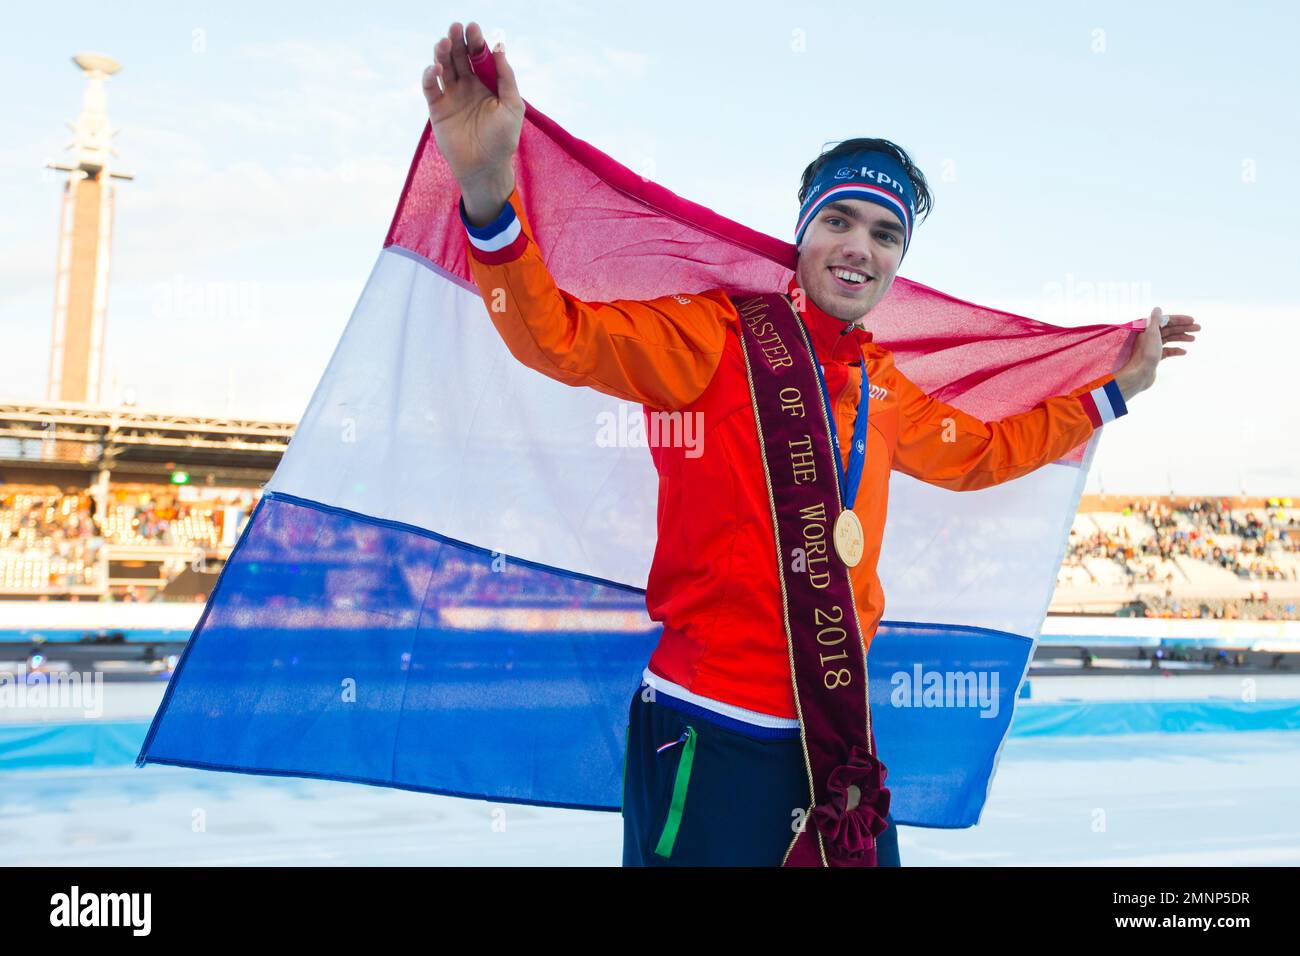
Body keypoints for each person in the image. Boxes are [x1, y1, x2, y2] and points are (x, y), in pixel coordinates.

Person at [422, 20, 1200, 866]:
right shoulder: (713, 341)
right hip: (710, 729)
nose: (861, 247)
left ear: (900, 261)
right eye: (841, 220)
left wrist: (1116, 391)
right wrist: (489, 193)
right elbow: (556, 337)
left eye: (886, 233)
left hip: (836, 737)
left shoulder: (883, 386)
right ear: (803, 232)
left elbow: (984, 454)